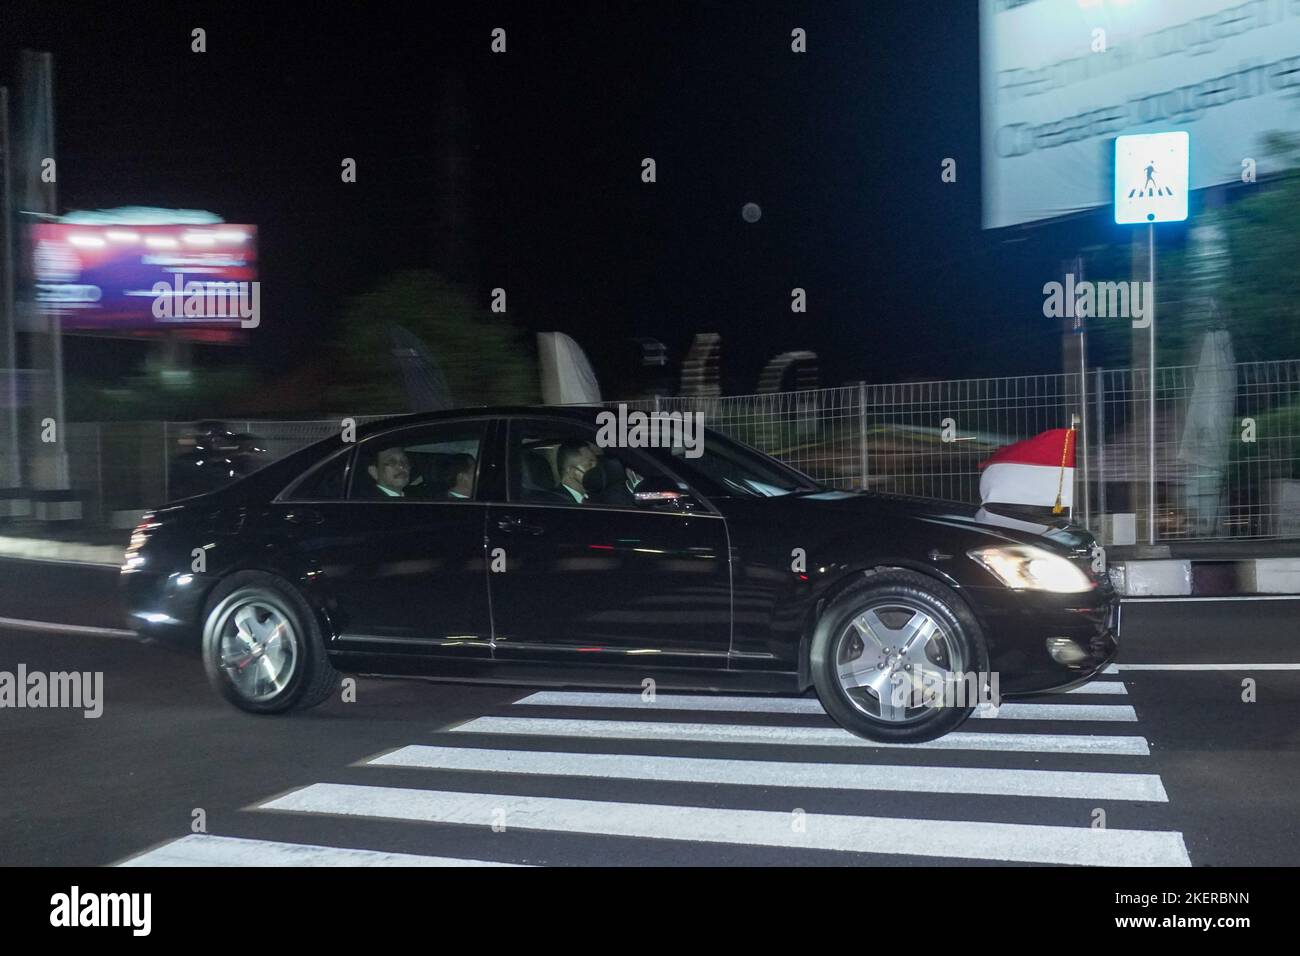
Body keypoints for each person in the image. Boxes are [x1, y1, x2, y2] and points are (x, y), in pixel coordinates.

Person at [556, 439, 598, 504]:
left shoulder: (594, 498)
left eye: (596, 464)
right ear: (572, 472)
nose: (596, 469)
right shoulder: (556, 503)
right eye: (589, 465)